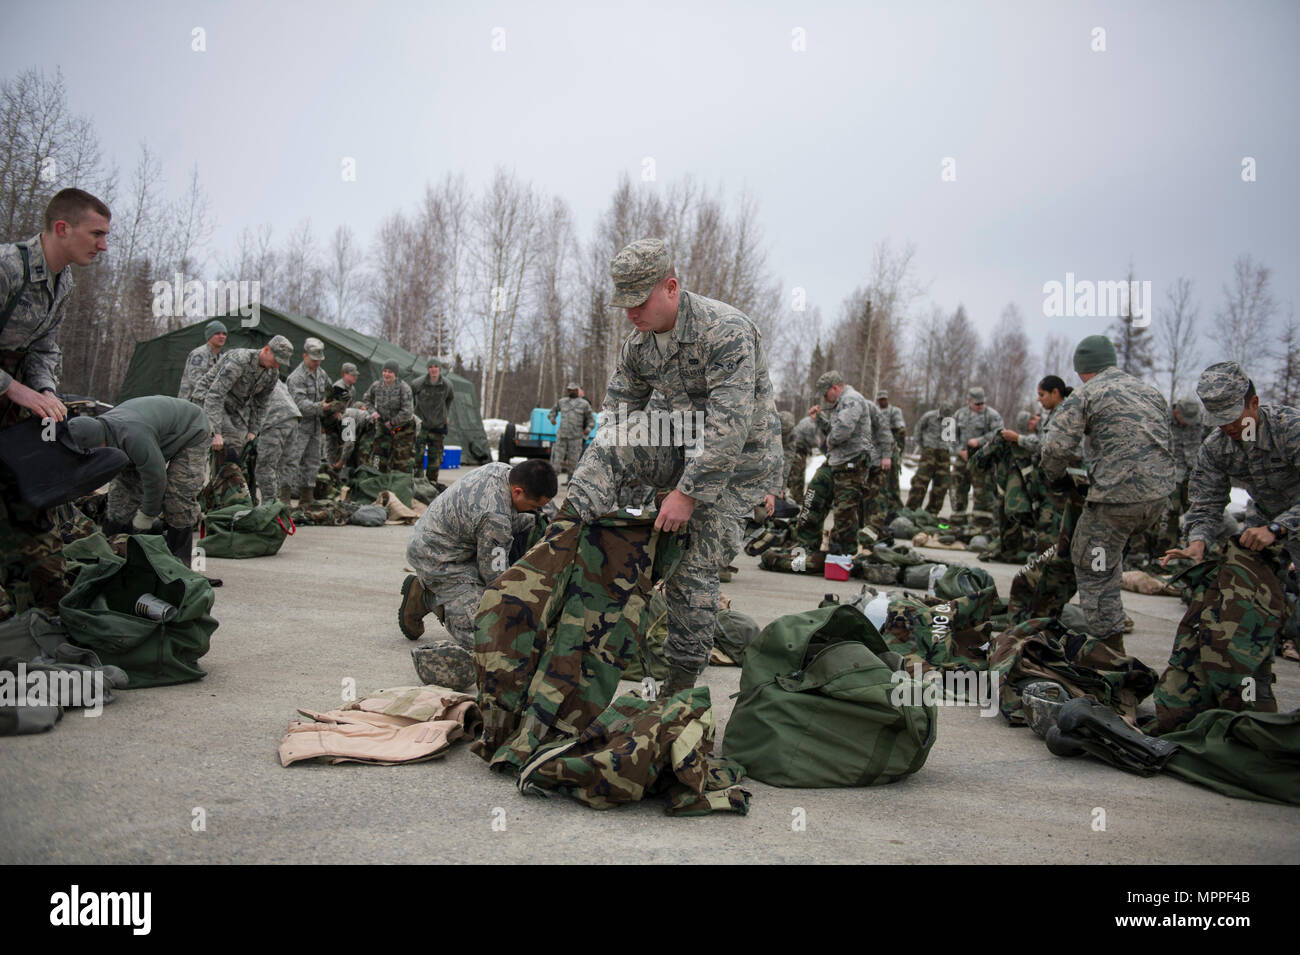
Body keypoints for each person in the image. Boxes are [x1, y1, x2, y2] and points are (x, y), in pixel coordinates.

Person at [562, 238, 782, 696]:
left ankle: (679, 692)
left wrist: (686, 494)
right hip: (679, 445)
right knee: (614, 442)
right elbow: (618, 418)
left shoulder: (726, 331)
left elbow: (728, 426)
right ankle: (559, 536)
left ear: (671, 287)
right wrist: (599, 488)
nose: (631, 314)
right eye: (623, 304)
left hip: (739, 467)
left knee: (689, 569)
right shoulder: (639, 345)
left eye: (639, 302)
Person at [1156, 362, 1298, 730]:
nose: (1230, 430)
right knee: (1246, 620)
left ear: (1254, 401)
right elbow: (1204, 502)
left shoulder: (1290, 429)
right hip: (1262, 531)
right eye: (1221, 422)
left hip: (1283, 524)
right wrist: (1198, 541)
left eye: (1234, 420)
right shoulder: (1217, 446)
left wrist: (1280, 527)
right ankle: (1252, 711)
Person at [0, 188, 111, 618]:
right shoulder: (8, 266)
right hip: (9, 392)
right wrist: (15, 388)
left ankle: (46, 609)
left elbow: (45, 348)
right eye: (96, 233)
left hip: (15, 403)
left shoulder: (63, 282)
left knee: (31, 499)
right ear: (62, 228)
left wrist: (44, 390)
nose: (103, 245)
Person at [1041, 335, 1173, 652]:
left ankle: (1110, 655)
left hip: (1117, 498)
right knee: (1110, 557)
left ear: (1081, 369)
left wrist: (1053, 477)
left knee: (1092, 565)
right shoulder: (1150, 392)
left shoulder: (1087, 394)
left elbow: (1057, 447)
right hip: (1158, 499)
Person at [399, 459, 557, 688]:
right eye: (534, 505)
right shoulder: (495, 518)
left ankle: (432, 592)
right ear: (518, 491)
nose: (536, 509)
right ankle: (428, 596)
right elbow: (495, 579)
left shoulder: (503, 471)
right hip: (440, 560)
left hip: (458, 543)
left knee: (534, 524)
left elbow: (533, 516)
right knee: (489, 641)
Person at [65, 396, 210, 569]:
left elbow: (156, 478)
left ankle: (180, 562)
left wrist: (148, 514)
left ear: (98, 444)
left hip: (191, 430)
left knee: (177, 497)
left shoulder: (133, 437)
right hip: (154, 432)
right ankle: (112, 555)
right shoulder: (102, 432)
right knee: (120, 498)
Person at [794, 370, 891, 555]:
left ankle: (846, 553)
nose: (824, 398)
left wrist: (830, 441)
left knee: (844, 512)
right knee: (814, 496)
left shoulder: (851, 399)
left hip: (851, 463)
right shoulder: (842, 403)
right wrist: (820, 420)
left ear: (835, 388)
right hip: (836, 461)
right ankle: (807, 543)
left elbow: (843, 430)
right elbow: (835, 428)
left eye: (825, 393)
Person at [192, 335, 293, 464]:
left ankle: (225, 479)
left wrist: (253, 431)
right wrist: (215, 432)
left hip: (233, 406)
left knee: (240, 445)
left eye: (281, 363)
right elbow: (215, 394)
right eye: (276, 360)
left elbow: (261, 403)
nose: (277, 365)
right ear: (266, 350)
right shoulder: (241, 360)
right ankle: (208, 474)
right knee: (219, 442)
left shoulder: (272, 373)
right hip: (207, 399)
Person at [286, 337, 337, 507]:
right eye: (314, 360)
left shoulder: (321, 374)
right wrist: (321, 407)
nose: (317, 363)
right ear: (304, 356)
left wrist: (336, 401)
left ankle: (306, 502)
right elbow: (299, 404)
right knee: (292, 461)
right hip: (299, 426)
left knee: (313, 463)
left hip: (315, 427)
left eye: (319, 360)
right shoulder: (297, 377)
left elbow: (330, 391)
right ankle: (283, 501)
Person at [952, 387, 1003, 530]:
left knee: (983, 490)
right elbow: (949, 435)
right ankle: (958, 518)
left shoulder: (992, 415)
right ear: (969, 401)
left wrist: (979, 441)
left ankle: (982, 522)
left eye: (982, 403)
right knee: (958, 486)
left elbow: (998, 434)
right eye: (977, 404)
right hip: (963, 457)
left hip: (983, 458)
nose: (980, 406)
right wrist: (959, 450)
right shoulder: (959, 414)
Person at [357, 360, 415, 472]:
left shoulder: (404, 388)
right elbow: (367, 399)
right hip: (383, 425)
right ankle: (378, 478)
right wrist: (373, 412)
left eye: (390, 372)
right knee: (378, 455)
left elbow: (408, 411)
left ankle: (400, 483)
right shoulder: (376, 385)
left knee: (401, 461)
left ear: (395, 374)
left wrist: (393, 422)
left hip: (402, 428)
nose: (386, 374)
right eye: (385, 371)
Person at [255, 379, 302, 506]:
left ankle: (270, 507)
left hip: (275, 419)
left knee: (265, 466)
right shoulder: (271, 375)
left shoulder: (349, 418)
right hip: (293, 417)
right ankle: (283, 503)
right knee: (284, 464)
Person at [905, 401, 955, 515]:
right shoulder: (929, 416)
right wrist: (923, 446)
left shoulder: (952, 420)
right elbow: (918, 429)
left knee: (942, 484)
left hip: (944, 453)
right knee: (920, 482)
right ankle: (911, 510)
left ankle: (932, 512)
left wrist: (951, 448)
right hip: (929, 451)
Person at [412, 358, 455, 482]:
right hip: (421, 425)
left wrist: (445, 414)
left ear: (439, 369)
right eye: (430, 367)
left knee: (435, 459)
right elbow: (410, 395)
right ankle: (418, 483)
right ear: (428, 369)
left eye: (436, 366)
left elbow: (450, 399)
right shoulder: (418, 383)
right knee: (417, 457)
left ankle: (432, 483)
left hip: (438, 426)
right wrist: (414, 414)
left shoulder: (447, 384)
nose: (433, 369)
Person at [548, 381, 596, 479]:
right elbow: (552, 411)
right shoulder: (562, 402)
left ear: (577, 391)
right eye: (569, 390)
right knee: (557, 459)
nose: (570, 392)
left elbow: (591, 420)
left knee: (573, 461)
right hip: (562, 435)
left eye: (573, 390)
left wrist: (588, 428)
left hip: (576, 437)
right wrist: (552, 418)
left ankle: (571, 480)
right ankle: (553, 479)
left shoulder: (584, 404)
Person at [178, 321, 228, 402]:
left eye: (224, 334)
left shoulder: (221, 356)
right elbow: (196, 380)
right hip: (191, 401)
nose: (221, 336)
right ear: (209, 336)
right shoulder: (199, 354)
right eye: (217, 333)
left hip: (208, 401)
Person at [325, 361, 360, 468]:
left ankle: (339, 467)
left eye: (356, 375)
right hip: (334, 423)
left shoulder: (352, 389)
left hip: (345, 421)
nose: (355, 377)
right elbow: (329, 406)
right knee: (332, 448)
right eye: (352, 375)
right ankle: (329, 470)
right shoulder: (337, 387)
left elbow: (350, 406)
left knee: (347, 445)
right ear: (345, 374)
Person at [877, 390, 906, 506]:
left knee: (893, 478)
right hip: (878, 448)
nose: (882, 401)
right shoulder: (875, 411)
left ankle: (895, 504)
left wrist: (898, 449)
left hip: (891, 447)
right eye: (880, 399)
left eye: (884, 399)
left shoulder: (894, 411)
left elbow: (901, 430)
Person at [787, 405, 819, 503]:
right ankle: (794, 496)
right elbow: (811, 440)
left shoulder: (806, 420)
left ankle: (798, 496)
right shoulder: (810, 424)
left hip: (798, 448)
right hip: (798, 449)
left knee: (800, 473)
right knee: (797, 473)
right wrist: (819, 446)